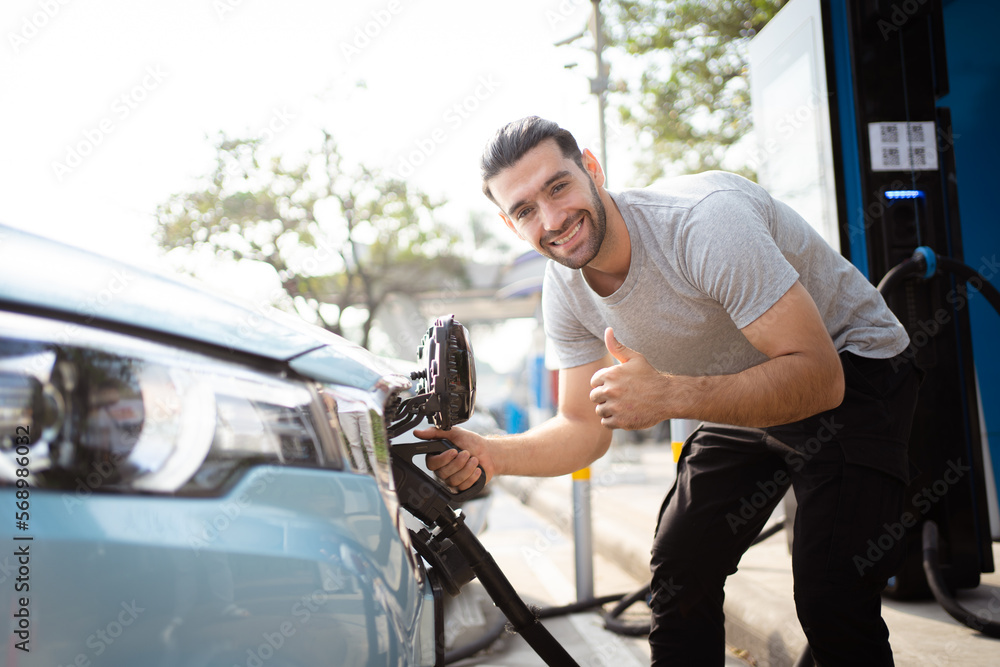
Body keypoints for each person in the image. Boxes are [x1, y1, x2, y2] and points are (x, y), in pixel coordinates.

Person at [417, 116, 921, 666]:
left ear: (591, 167)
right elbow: (584, 428)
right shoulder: (563, 286)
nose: (553, 219)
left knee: (832, 595)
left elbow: (820, 380)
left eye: (558, 186)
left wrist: (669, 396)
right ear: (510, 223)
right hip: (739, 388)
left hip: (853, 369)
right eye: (525, 210)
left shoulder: (703, 224)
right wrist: (492, 453)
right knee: (681, 567)